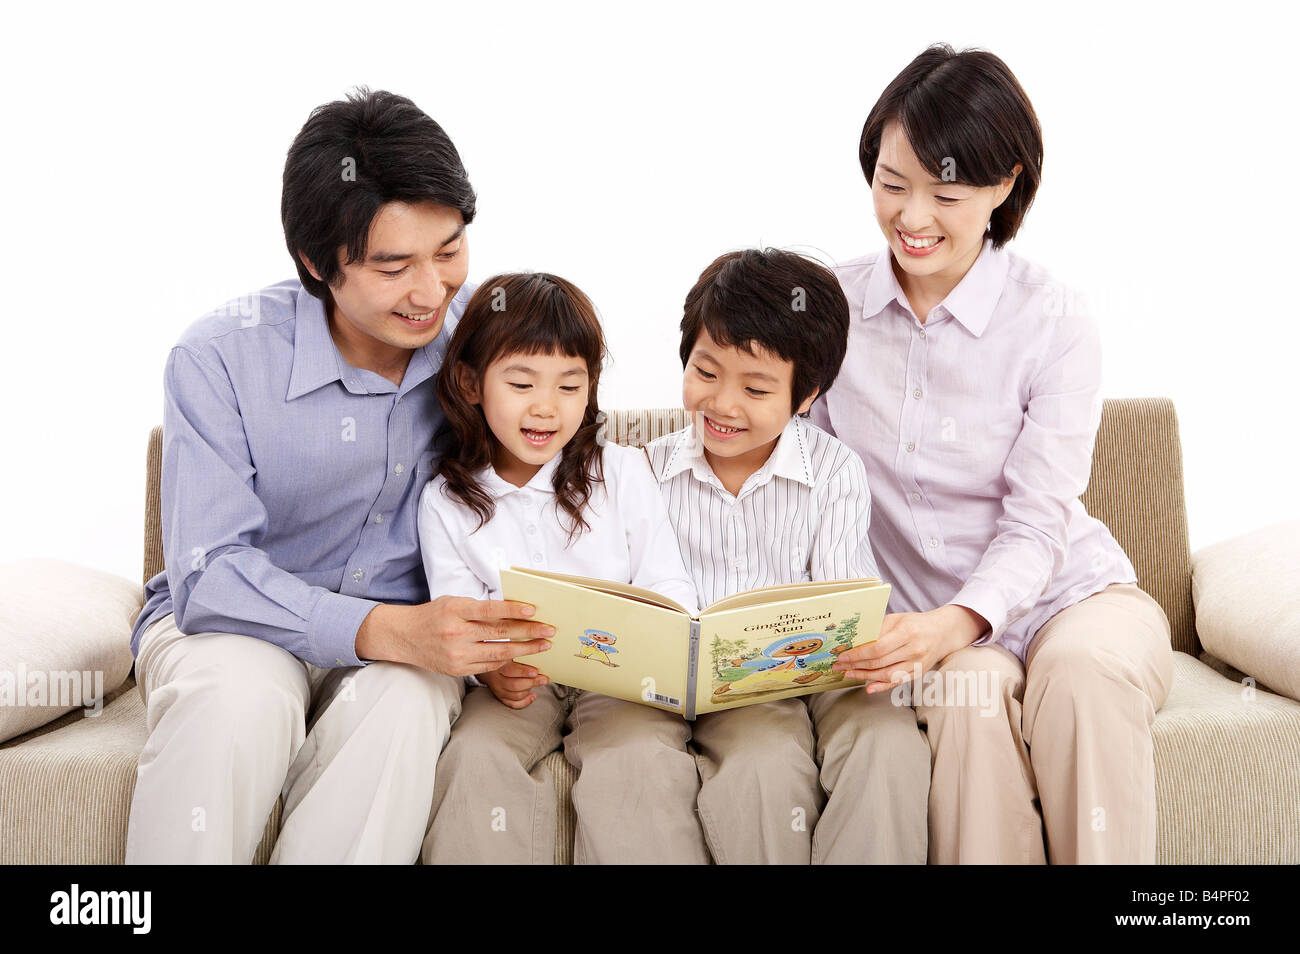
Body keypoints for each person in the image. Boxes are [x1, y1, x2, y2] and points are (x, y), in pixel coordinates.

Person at [126, 88, 552, 865]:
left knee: (411, 699)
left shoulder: (484, 350)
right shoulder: (219, 358)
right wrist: (382, 628)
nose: (431, 292)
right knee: (238, 698)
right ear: (316, 264)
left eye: (449, 250)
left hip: (407, 647)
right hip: (236, 627)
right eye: (393, 266)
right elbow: (208, 577)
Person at [813, 44, 1175, 864]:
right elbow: (810, 487)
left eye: (945, 194)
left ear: (1005, 185)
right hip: (932, 631)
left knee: (1082, 680)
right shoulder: (831, 309)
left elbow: (1038, 520)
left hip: (1070, 599)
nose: (912, 218)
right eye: (891, 184)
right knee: (970, 700)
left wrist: (959, 618)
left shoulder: (1053, 320)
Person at [641, 248, 932, 863]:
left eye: (756, 388)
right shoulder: (646, 471)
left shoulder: (833, 471)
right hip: (716, 686)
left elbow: (843, 591)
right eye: (705, 371)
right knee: (762, 765)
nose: (722, 404)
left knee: (889, 743)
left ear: (807, 396)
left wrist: (854, 645)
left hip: (824, 667)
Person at [419, 272, 700, 865]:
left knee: (639, 763)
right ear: (471, 383)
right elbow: (457, 615)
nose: (545, 407)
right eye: (521, 383)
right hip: (520, 684)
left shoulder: (620, 471)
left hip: (620, 680)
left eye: (570, 387)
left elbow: (668, 582)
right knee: (473, 760)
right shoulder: (446, 499)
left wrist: (658, 635)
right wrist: (488, 675)